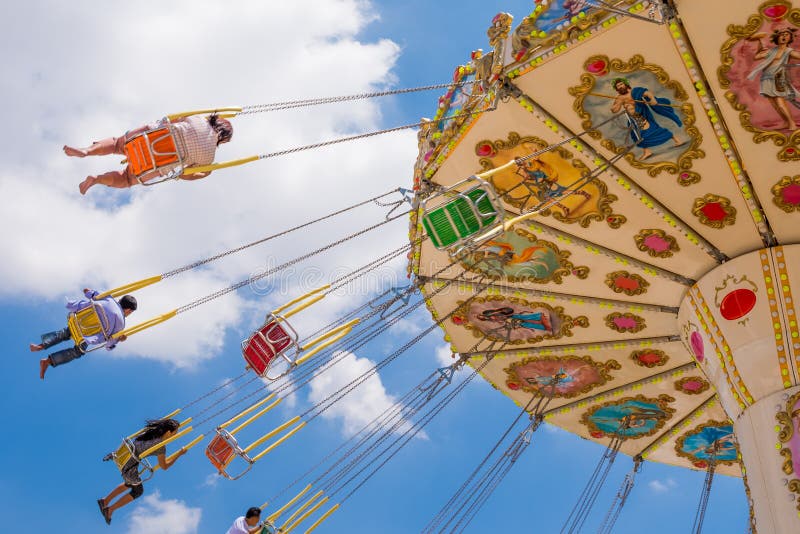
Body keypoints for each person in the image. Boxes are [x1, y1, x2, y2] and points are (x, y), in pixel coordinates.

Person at [63, 113, 234, 194]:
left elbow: (173, 119)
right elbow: (185, 175)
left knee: (116, 144)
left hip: (144, 139)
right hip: (154, 164)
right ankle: (96, 179)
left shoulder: (198, 119)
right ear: (223, 140)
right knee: (126, 179)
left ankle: (86, 151)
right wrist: (206, 172)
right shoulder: (208, 157)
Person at [29, 289, 137, 379]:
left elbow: (87, 291)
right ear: (129, 310)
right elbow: (109, 344)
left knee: (65, 333)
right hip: (87, 336)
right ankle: (48, 361)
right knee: (78, 352)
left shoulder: (108, 297)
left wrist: (88, 291)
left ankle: (40, 346)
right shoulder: (121, 324)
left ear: (120, 300)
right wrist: (119, 339)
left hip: (77, 321)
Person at [97, 418, 188, 525]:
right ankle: (110, 510)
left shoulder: (150, 433)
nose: (175, 435)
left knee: (130, 483)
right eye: (175, 433)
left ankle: (105, 501)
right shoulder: (160, 446)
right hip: (129, 467)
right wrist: (179, 454)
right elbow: (164, 466)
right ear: (168, 433)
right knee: (138, 490)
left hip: (122, 457)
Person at [609, 77, 684, 159]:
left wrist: (652, 99)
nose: (620, 86)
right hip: (632, 118)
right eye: (618, 86)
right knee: (637, 134)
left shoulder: (635, 91)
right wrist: (615, 103)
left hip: (641, 115)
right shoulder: (620, 98)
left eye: (621, 84)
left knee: (647, 132)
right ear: (616, 88)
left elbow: (647, 93)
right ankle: (648, 151)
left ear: (625, 84)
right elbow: (615, 110)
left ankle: (676, 140)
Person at [747, 27, 800, 131]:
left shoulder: (789, 51)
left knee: (780, 103)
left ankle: (792, 123)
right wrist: (760, 47)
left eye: (786, 35)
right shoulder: (772, 50)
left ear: (790, 38)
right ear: (777, 37)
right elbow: (756, 57)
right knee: (774, 104)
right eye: (781, 35)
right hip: (766, 78)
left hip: (778, 78)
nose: (784, 36)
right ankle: (786, 122)